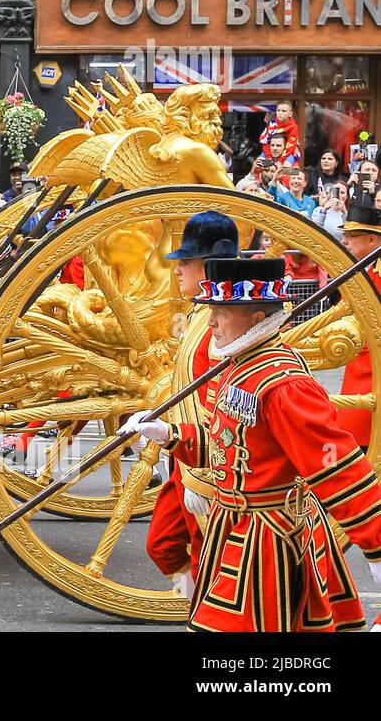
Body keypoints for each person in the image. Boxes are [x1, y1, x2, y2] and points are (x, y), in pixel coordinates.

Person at [122, 256, 381, 631]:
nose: (210, 322)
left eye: (222, 312)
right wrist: (170, 435)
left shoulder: (282, 382)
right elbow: (231, 449)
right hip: (232, 529)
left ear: (257, 318)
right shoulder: (240, 366)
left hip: (268, 541)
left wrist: (375, 546)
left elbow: (335, 465)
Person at [145, 211, 238, 598]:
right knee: (162, 544)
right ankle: (194, 601)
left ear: (212, 265)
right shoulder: (203, 311)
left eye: (187, 262)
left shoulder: (224, 320)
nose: (178, 270)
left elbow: (224, 402)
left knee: (210, 561)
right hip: (185, 456)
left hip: (209, 466)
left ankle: (200, 611)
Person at [337, 201, 381, 450]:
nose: (344, 242)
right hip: (359, 359)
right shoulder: (362, 270)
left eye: (351, 236)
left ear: (372, 241)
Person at [259, 101, 302, 169]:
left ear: (290, 114)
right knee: (259, 165)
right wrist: (268, 157)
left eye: (283, 111)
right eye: (278, 110)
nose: (280, 113)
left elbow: (290, 146)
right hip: (269, 152)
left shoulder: (293, 127)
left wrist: (280, 161)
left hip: (289, 152)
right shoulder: (272, 123)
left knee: (288, 167)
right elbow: (265, 142)